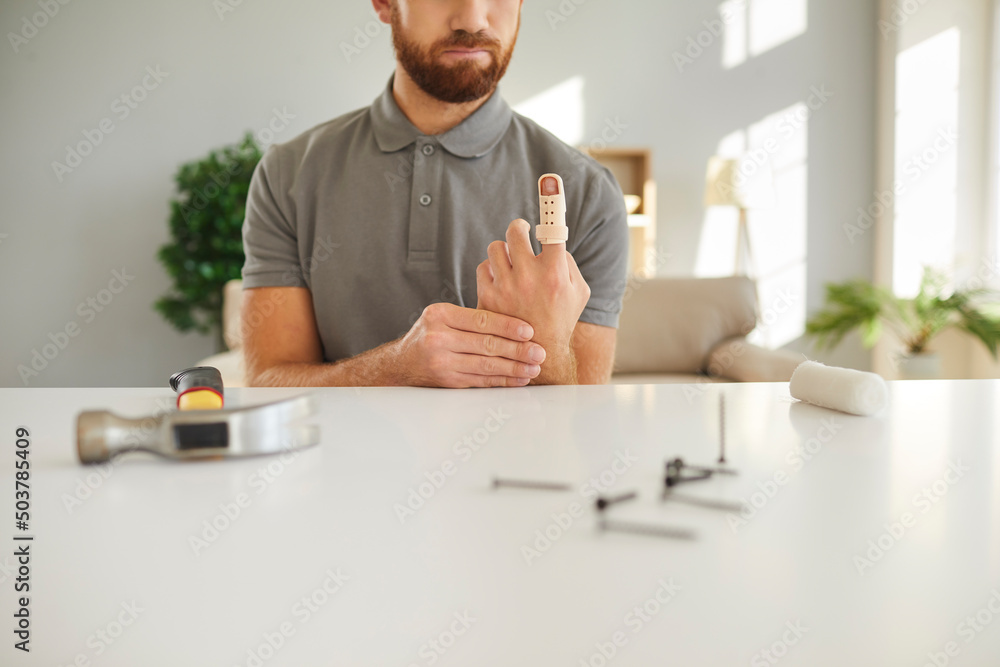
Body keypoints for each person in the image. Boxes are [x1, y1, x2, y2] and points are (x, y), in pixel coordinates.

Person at [240, 0, 628, 387]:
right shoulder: (286, 174)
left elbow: (585, 418)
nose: (473, 20)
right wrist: (394, 370)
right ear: (384, 5)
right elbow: (268, 384)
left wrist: (546, 344)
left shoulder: (591, 194)